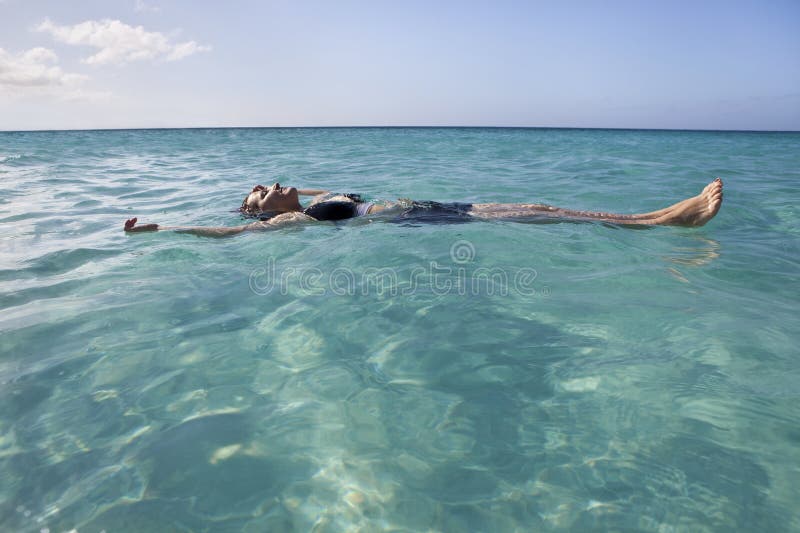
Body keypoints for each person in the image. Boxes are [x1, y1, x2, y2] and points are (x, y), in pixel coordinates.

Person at [124, 178, 723, 237]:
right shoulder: (291, 220)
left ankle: (650, 218)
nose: (269, 185)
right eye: (257, 191)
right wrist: (168, 226)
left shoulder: (315, 199)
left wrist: (295, 188)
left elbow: (330, 187)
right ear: (258, 209)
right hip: (409, 219)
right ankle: (668, 221)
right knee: (539, 214)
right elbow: (231, 234)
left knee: (539, 204)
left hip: (418, 207)